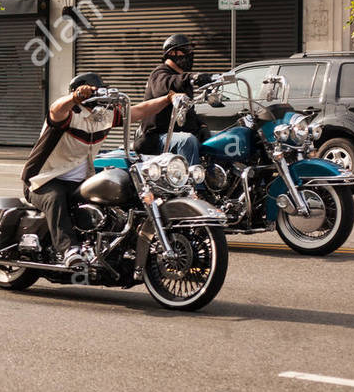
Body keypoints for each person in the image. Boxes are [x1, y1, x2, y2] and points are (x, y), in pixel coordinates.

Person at [22, 73, 176, 266]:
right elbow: (55, 109)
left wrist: (169, 98)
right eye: (93, 93)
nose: (101, 99)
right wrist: (74, 97)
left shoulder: (101, 117)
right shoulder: (68, 114)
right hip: (43, 180)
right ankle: (69, 250)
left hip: (80, 182)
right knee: (55, 197)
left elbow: (138, 111)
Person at [139, 34, 218, 165]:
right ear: (172, 53)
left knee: (219, 139)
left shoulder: (180, 78)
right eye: (186, 50)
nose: (190, 54)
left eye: (191, 51)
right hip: (157, 137)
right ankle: (192, 183)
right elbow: (164, 88)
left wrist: (202, 125)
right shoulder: (159, 74)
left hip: (176, 133)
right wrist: (193, 77)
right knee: (187, 140)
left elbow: (188, 110)